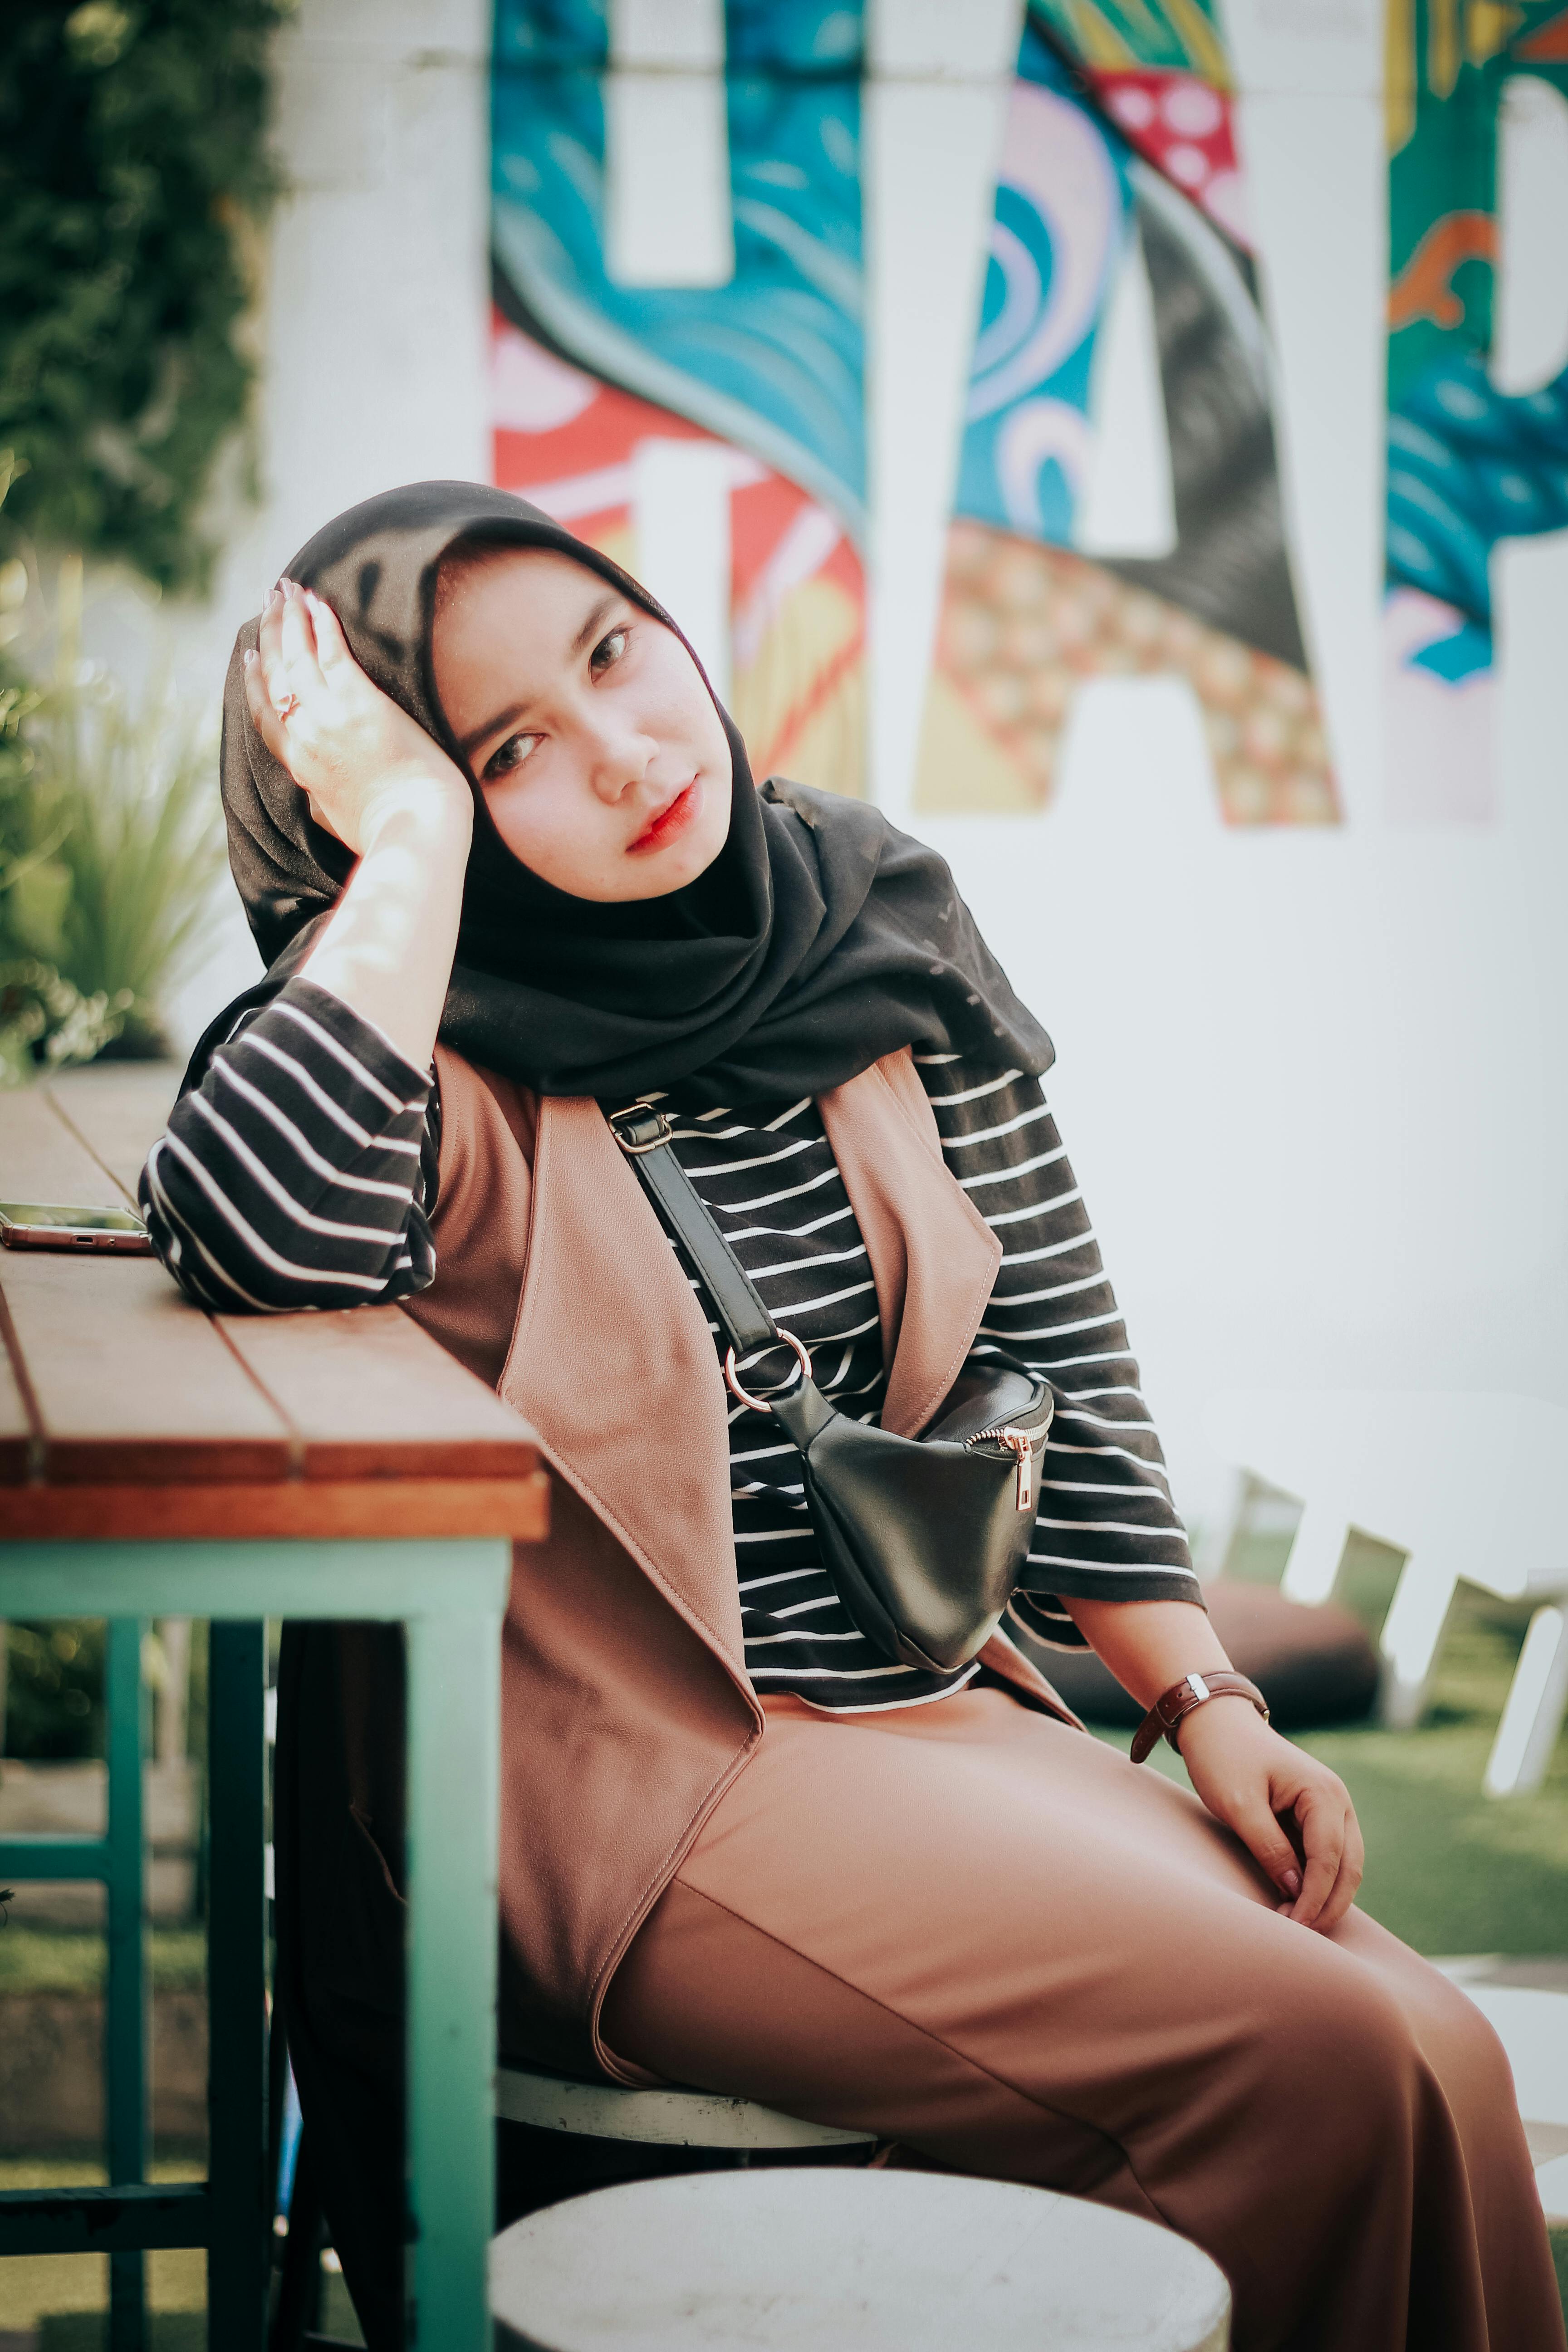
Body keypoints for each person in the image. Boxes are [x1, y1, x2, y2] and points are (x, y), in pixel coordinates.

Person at [142, 482, 1562, 2352]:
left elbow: (1057, 1336)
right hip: (639, 1800)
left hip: (934, 1717)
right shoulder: (413, 1027)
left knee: (1432, 2046)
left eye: (612, 650)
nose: (625, 749)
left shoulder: (864, 916)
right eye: (507, 749)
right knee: (1326, 2072)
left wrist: (1199, 1694)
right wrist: (408, 845)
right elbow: (250, 1226)